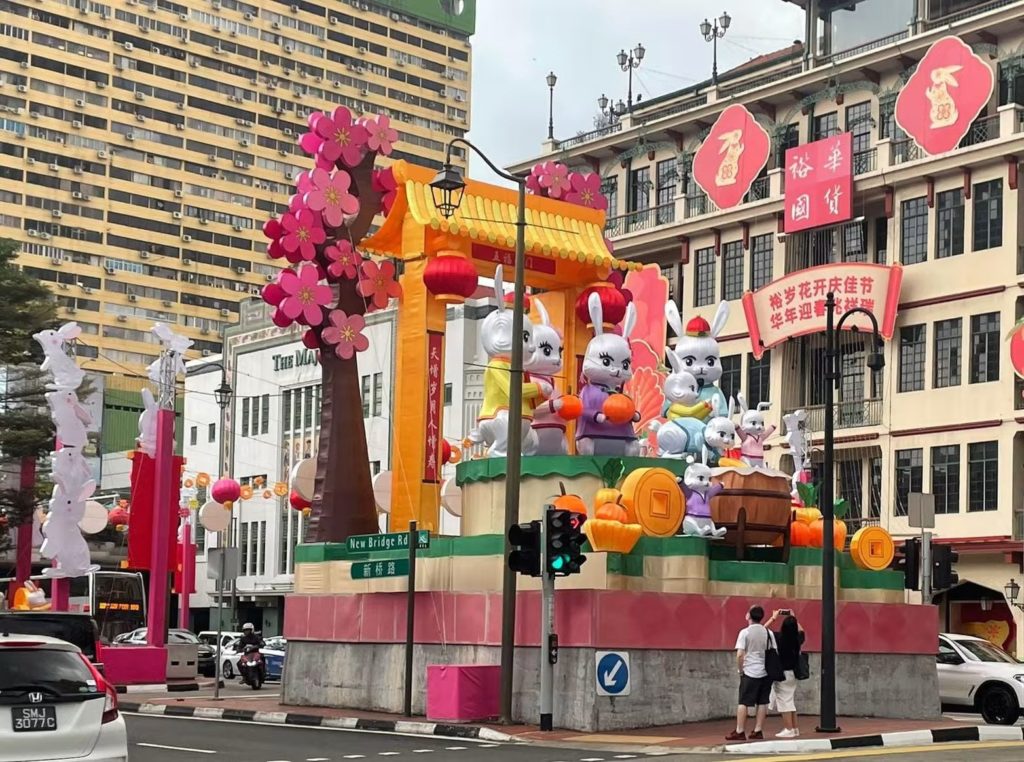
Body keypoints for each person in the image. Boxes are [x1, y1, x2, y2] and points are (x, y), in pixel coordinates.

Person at [726, 605, 774, 741]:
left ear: (749, 616)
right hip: (765, 672)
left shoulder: (745, 633)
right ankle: (758, 730)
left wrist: (740, 670)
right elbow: (773, 651)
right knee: (762, 702)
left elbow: (740, 654)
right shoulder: (768, 633)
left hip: (750, 672)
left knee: (743, 702)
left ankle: (740, 730)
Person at [767, 609, 805, 738]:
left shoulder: (778, 638)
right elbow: (801, 631)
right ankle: (795, 728)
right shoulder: (798, 638)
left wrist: (773, 617)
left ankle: (788, 728)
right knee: (790, 701)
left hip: (783, 674)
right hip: (793, 674)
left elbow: (761, 630)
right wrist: (794, 618)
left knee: (784, 702)